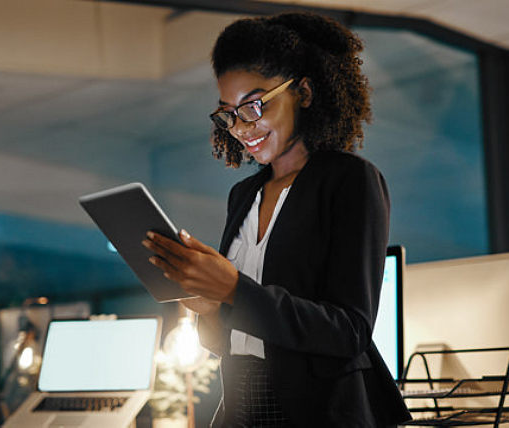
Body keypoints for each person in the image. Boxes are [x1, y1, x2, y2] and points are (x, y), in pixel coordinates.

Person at [142, 12, 411, 427]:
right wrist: (211, 306)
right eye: (228, 114)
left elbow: (349, 331)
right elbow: (227, 343)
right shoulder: (243, 196)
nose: (240, 128)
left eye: (253, 105)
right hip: (243, 409)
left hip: (319, 414)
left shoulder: (350, 181)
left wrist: (233, 288)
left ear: (303, 91)